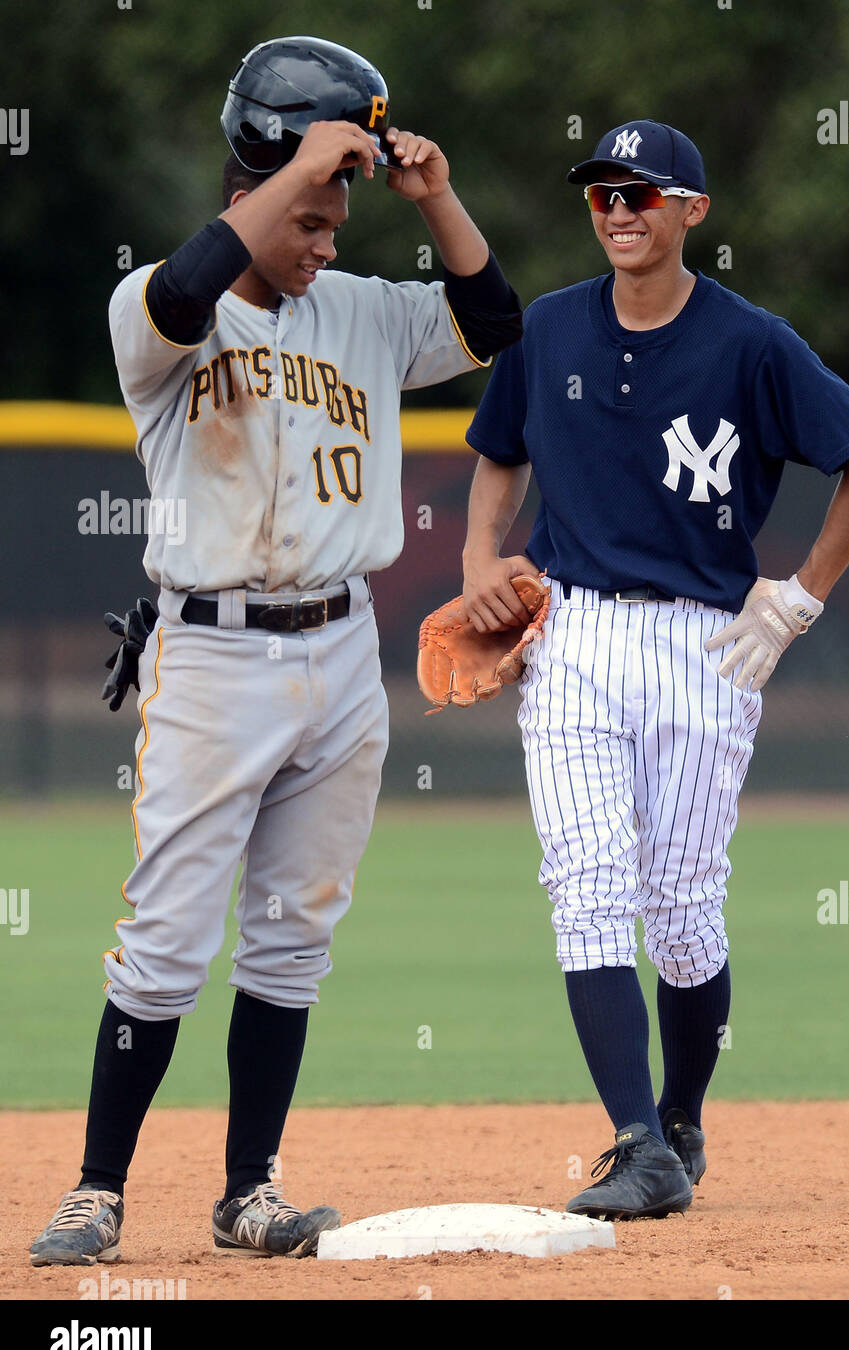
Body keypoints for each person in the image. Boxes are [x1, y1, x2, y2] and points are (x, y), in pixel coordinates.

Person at [29, 37, 521, 1265]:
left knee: (295, 934)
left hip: (342, 653)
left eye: (340, 210)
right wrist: (296, 171)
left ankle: (249, 1190)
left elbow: (492, 321)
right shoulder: (156, 307)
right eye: (313, 211)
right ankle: (97, 1190)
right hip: (213, 658)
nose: (330, 235)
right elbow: (186, 296)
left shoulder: (362, 312)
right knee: (166, 938)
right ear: (259, 179)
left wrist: (435, 196)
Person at [460, 120, 849, 1220]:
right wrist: (477, 560)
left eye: (641, 194)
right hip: (573, 634)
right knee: (586, 886)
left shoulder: (751, 343)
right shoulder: (547, 326)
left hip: (705, 643)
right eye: (602, 193)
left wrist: (800, 597)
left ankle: (680, 1118)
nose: (618, 210)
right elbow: (499, 450)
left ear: (692, 212)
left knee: (682, 906)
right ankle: (636, 1142)